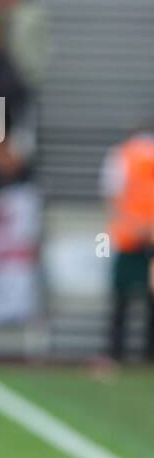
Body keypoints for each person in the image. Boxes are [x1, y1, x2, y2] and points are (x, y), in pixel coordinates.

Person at [102, 125, 154, 362]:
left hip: (128, 235)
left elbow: (111, 196)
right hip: (137, 236)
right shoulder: (123, 156)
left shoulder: (122, 155)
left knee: (121, 298)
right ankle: (145, 354)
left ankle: (115, 353)